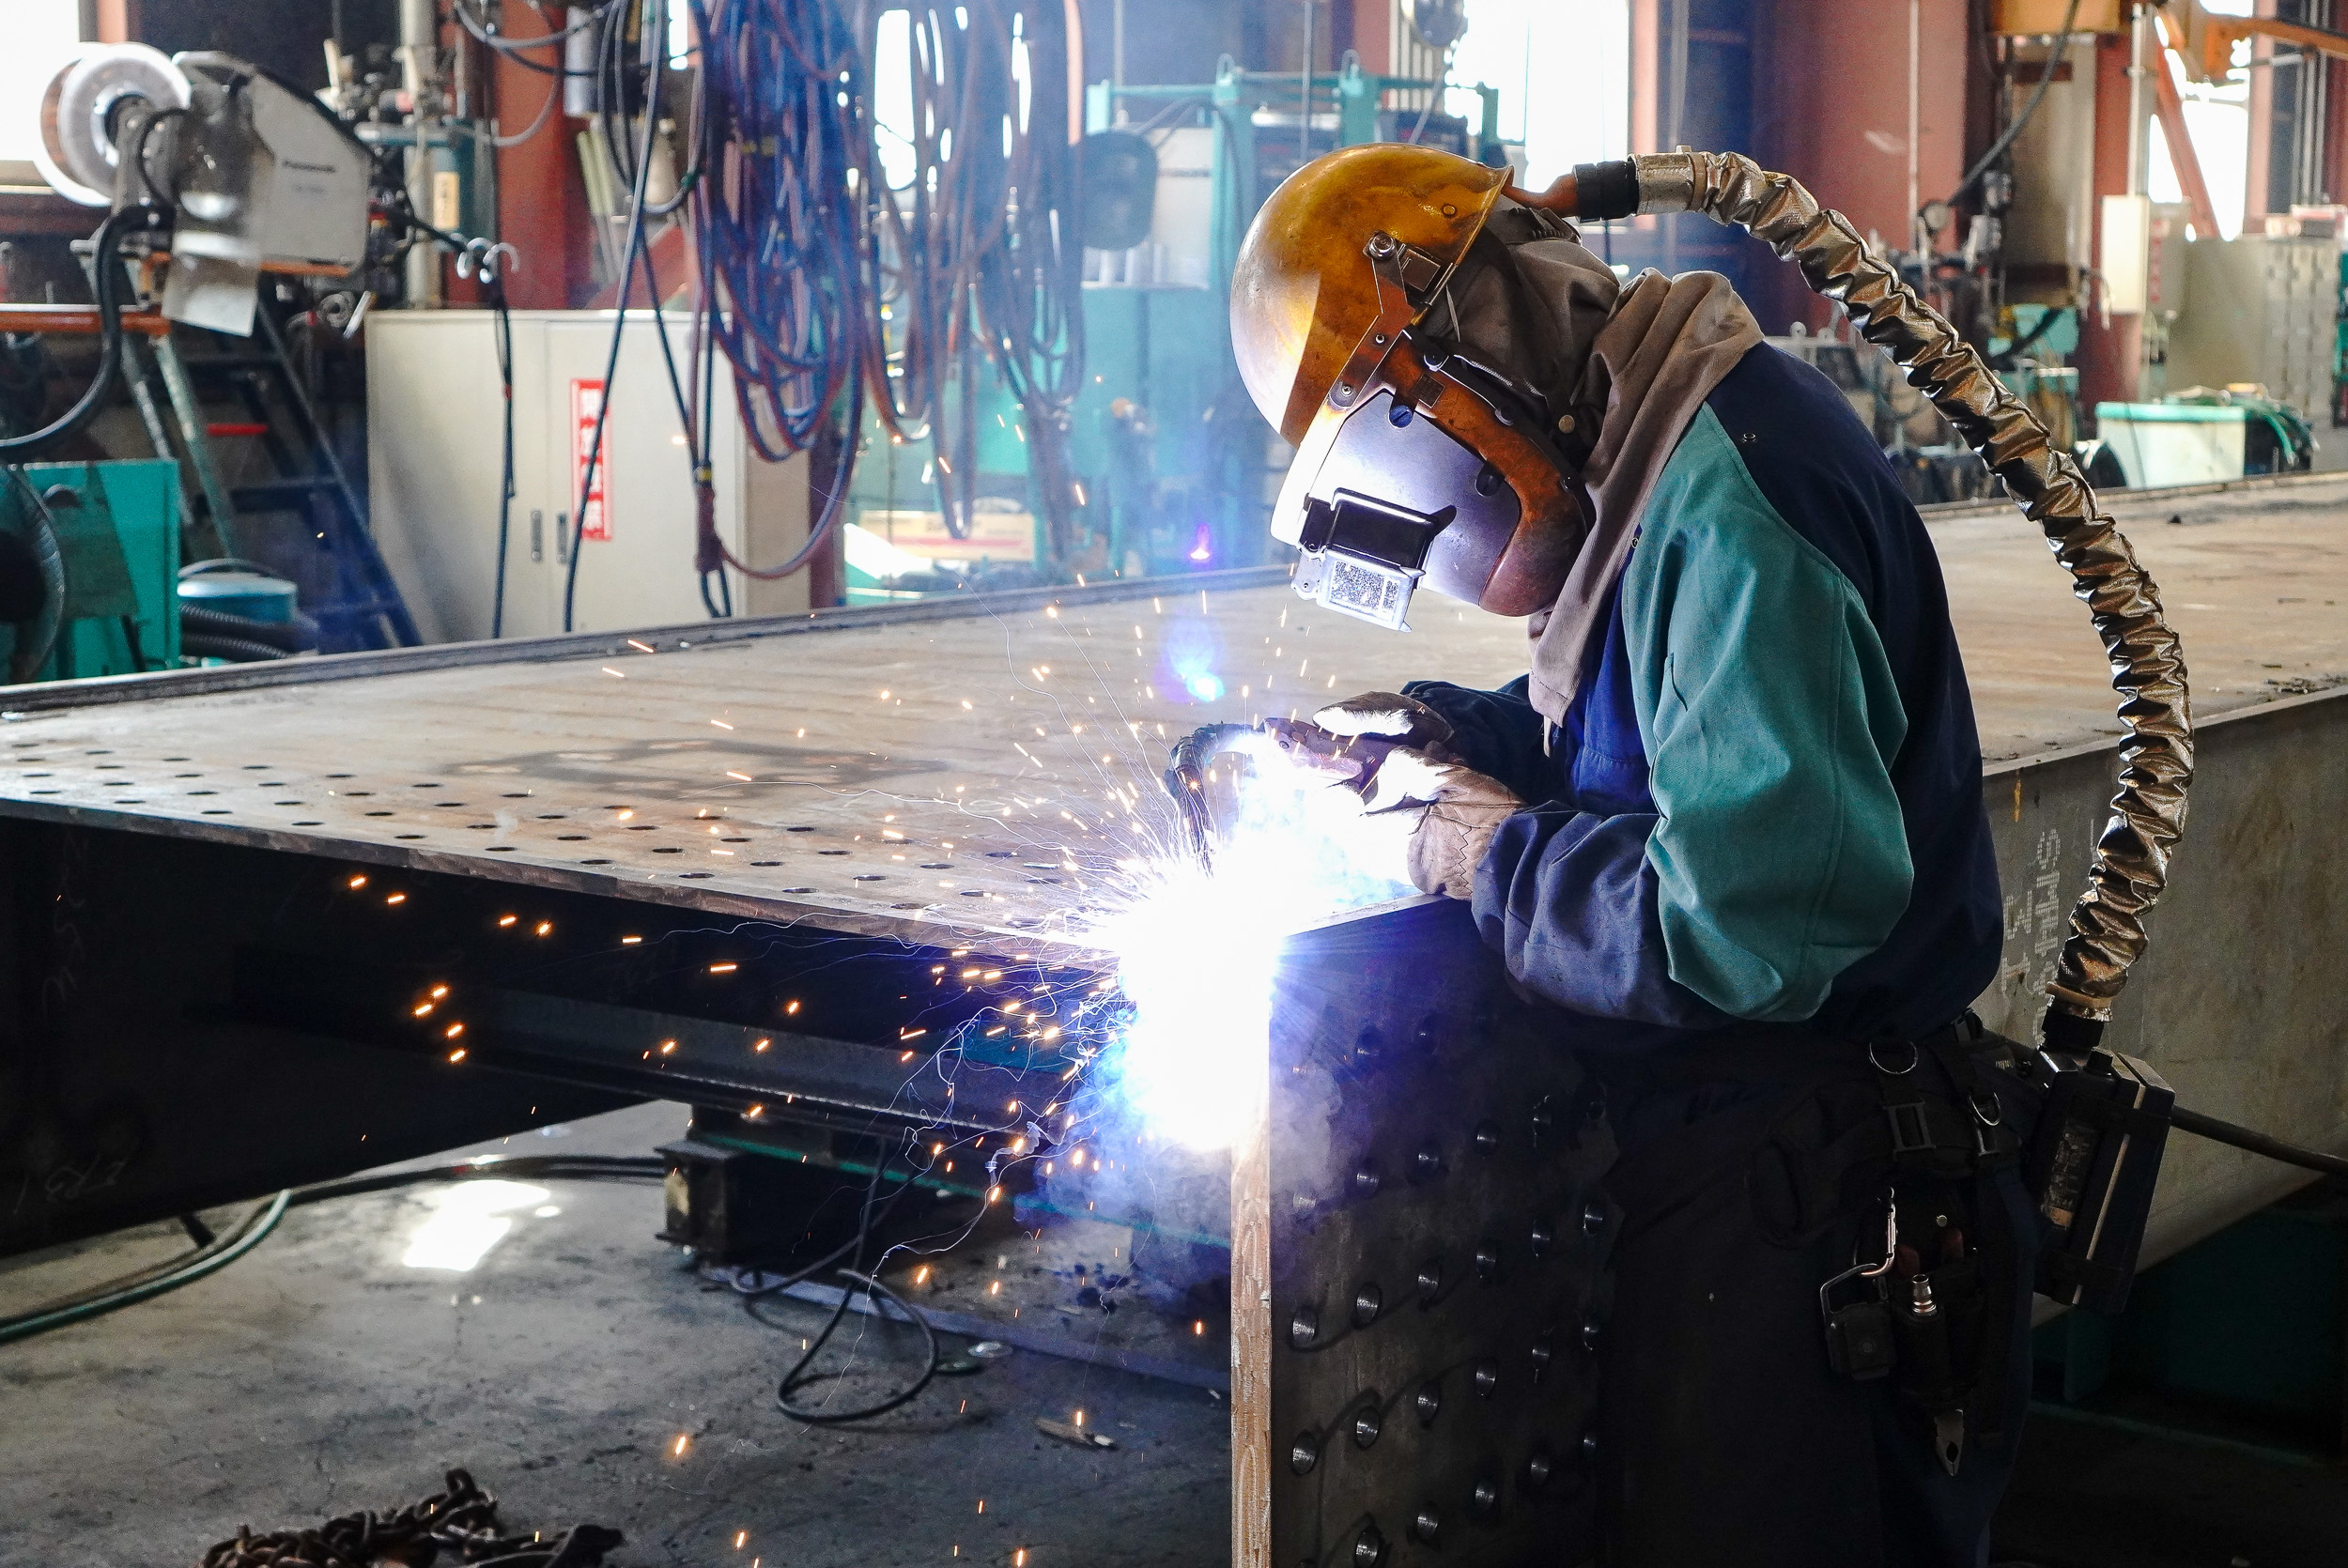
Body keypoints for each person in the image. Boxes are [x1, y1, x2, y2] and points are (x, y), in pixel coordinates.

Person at [1227, 144, 2032, 1568]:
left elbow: (1735, 933)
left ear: (1455, 386)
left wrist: (1481, 851)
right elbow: (1649, 748)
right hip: (1749, 1189)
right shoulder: (1650, 460)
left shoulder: (1732, 514)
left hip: (1824, 1210)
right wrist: (1427, 733)